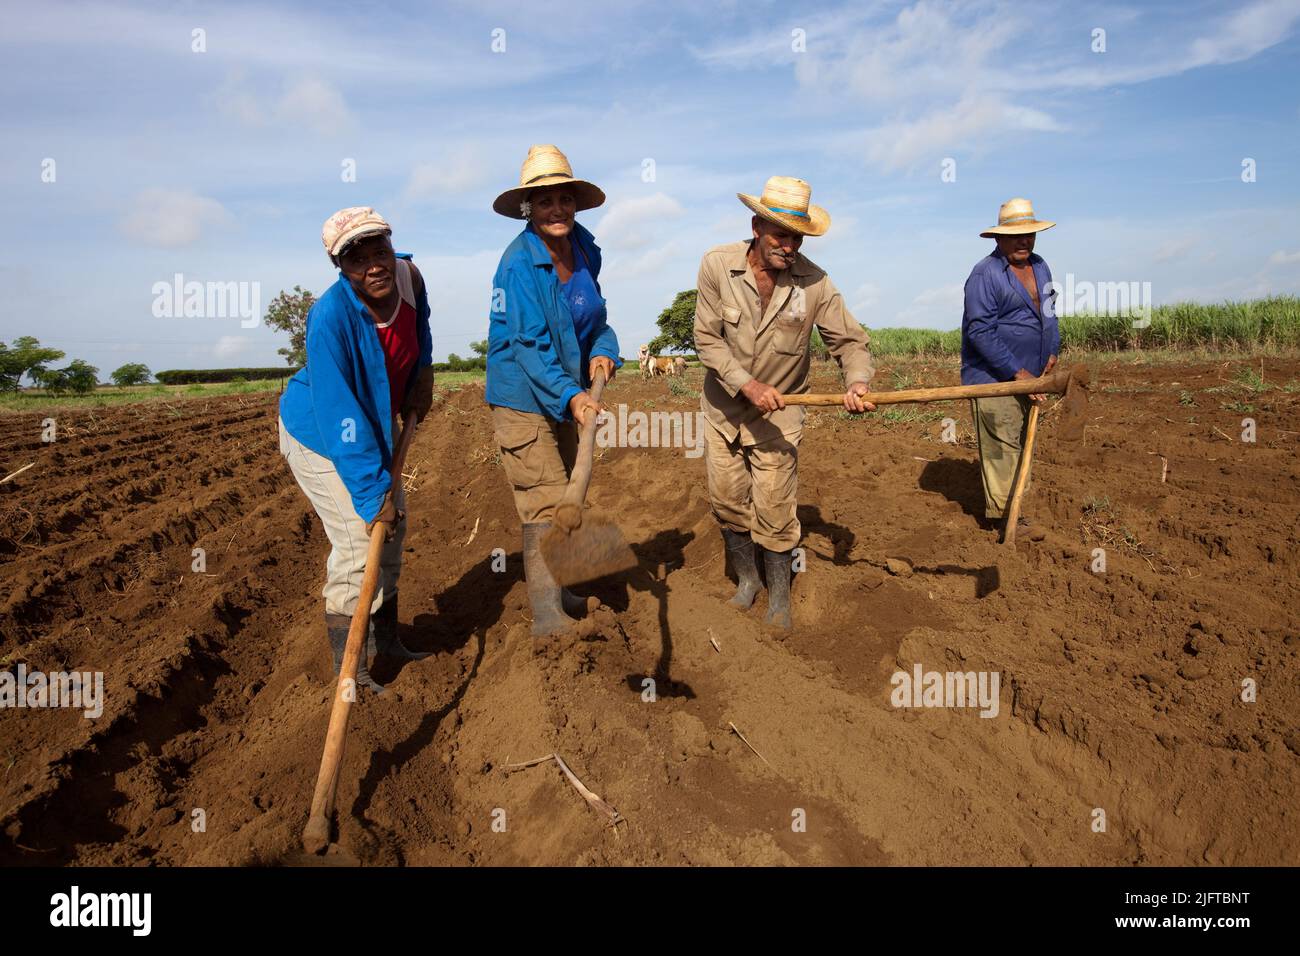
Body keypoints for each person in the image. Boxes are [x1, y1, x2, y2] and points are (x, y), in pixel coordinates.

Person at [694, 176, 875, 630]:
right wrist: (746, 384)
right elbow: (706, 340)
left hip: (779, 419)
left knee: (775, 509)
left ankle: (780, 598)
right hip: (723, 411)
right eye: (780, 234)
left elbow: (850, 341)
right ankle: (747, 580)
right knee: (728, 502)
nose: (789, 245)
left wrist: (857, 381)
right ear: (756, 226)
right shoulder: (717, 265)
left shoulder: (815, 283)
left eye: (797, 237)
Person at [278, 207, 436, 694]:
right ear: (339, 268)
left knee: (394, 528)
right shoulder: (329, 318)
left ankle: (387, 640)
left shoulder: (410, 278)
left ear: (393, 246)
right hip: (324, 435)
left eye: (379, 250)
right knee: (358, 535)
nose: (373, 264)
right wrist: (371, 495)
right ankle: (352, 670)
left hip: (375, 418)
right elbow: (339, 413)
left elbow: (420, 329)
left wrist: (421, 376)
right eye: (356, 257)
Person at [485, 145, 623, 637]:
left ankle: (564, 589)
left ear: (576, 204)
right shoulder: (518, 265)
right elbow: (529, 345)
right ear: (529, 209)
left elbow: (595, 320)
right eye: (544, 202)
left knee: (569, 489)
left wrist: (604, 350)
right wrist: (573, 396)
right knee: (545, 499)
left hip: (566, 388)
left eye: (564, 199)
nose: (557, 210)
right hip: (525, 395)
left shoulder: (586, 249)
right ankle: (547, 619)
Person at [960, 198, 1061, 540]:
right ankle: (1008, 520)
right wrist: (1018, 375)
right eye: (1017, 235)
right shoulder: (984, 275)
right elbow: (980, 332)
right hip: (995, 379)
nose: (1025, 241)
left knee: (1020, 441)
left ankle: (1017, 510)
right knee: (1002, 446)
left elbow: (1050, 312)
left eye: (1030, 234)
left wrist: (1052, 351)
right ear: (998, 239)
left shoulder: (1041, 266)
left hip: (1033, 376)